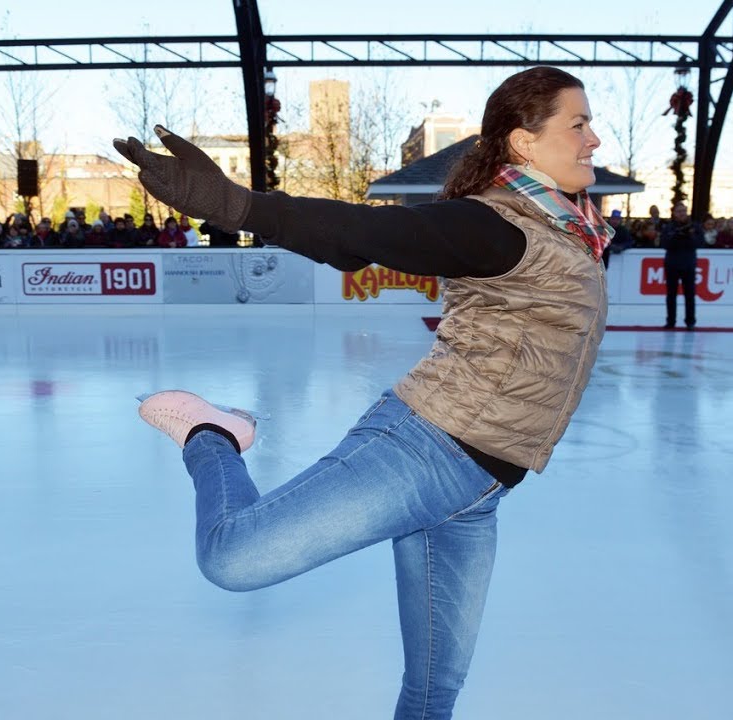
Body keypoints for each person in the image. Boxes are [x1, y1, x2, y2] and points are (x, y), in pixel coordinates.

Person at [111, 65, 612, 720]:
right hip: (428, 451)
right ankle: (212, 434)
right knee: (232, 556)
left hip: (478, 488)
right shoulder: (498, 226)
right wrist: (239, 206)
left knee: (434, 689)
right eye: (578, 124)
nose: (593, 139)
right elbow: (364, 234)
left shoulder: (567, 229)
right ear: (524, 141)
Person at [660, 201, 698, 329]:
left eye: (684, 211)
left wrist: (689, 235)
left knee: (690, 294)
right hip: (672, 264)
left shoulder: (694, 226)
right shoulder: (669, 227)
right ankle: (671, 321)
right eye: (679, 211)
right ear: (674, 213)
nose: (682, 214)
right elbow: (664, 244)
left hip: (689, 264)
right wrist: (676, 236)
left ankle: (690, 321)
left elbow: (699, 242)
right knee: (671, 294)